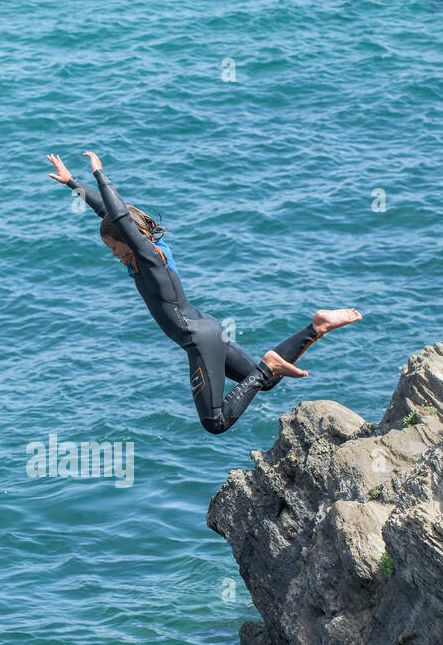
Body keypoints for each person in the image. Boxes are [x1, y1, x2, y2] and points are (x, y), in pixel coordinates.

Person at [46, 151, 361, 436]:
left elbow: (119, 217)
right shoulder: (154, 251)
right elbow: (109, 215)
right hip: (205, 324)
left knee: (216, 422)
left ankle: (269, 363)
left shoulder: (148, 259)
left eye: (115, 248)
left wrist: (100, 176)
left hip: (198, 338)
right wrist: (71, 182)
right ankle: (316, 325)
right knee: (264, 382)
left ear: (131, 239)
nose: (115, 255)